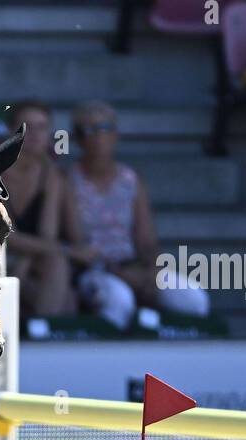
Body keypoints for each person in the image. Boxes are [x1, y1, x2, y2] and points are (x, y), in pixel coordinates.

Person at [62, 99, 210, 329]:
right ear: (78, 139)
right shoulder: (68, 181)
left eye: (105, 128)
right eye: (89, 130)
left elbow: (146, 239)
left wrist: (152, 270)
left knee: (193, 300)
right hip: (94, 270)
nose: (98, 137)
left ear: (115, 135)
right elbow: (78, 244)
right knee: (120, 302)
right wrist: (120, 273)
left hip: (135, 266)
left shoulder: (131, 179)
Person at [0, 99, 72, 318]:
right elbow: (6, 235)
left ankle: (42, 334)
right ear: (11, 132)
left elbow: (47, 236)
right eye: (27, 127)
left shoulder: (51, 174)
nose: (35, 135)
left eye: (42, 128)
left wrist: (26, 260)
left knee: (61, 276)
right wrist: (67, 250)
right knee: (66, 297)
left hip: (31, 258)